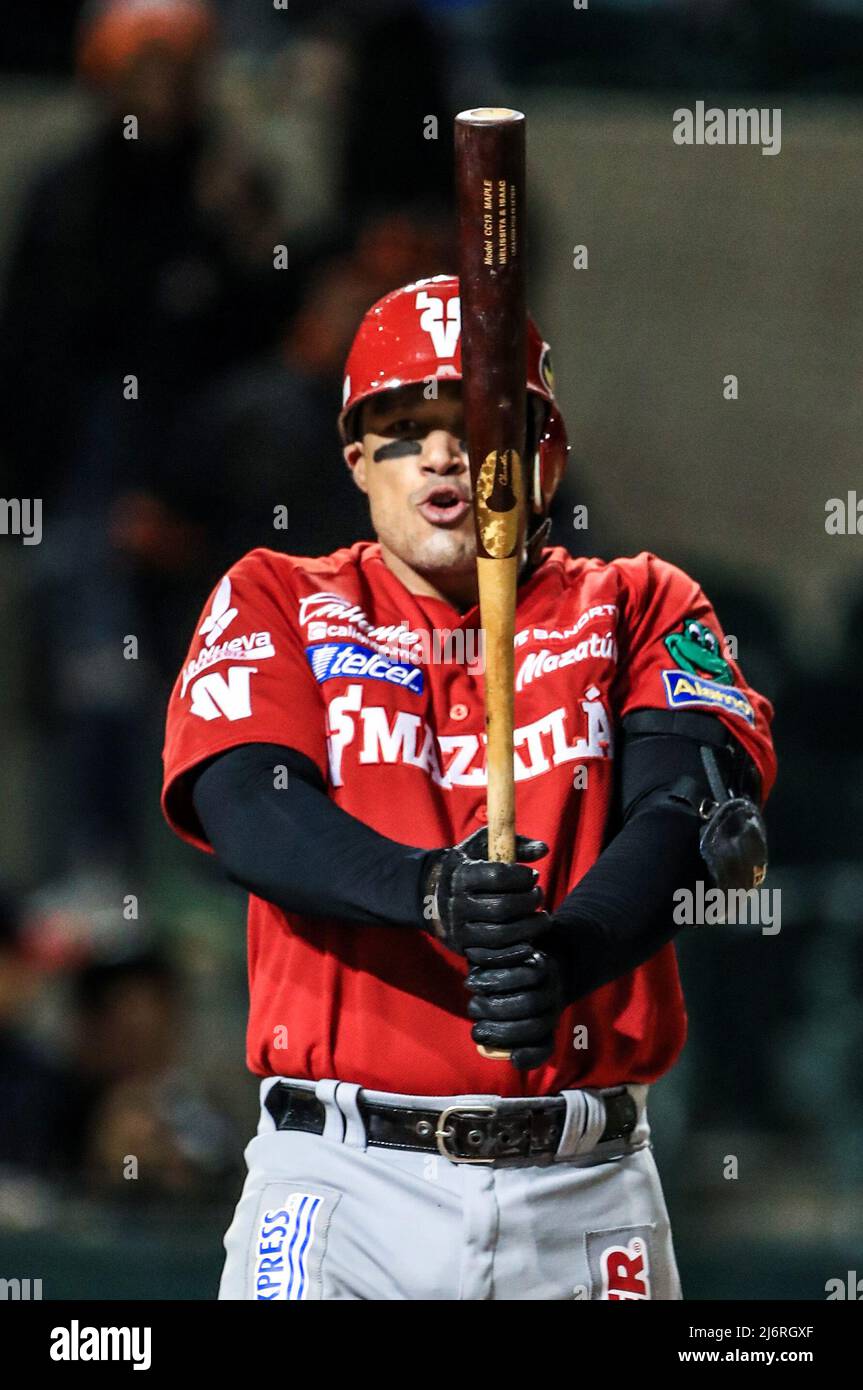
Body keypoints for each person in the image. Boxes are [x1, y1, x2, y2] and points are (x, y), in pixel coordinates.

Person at [161, 274, 776, 1300]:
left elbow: (682, 810)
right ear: (356, 460)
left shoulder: (638, 601)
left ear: (545, 453)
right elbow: (248, 807)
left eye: (478, 422)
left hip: (582, 1185)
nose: (443, 452)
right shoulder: (275, 594)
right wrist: (430, 892)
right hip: (341, 1176)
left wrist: (569, 955)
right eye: (405, 428)